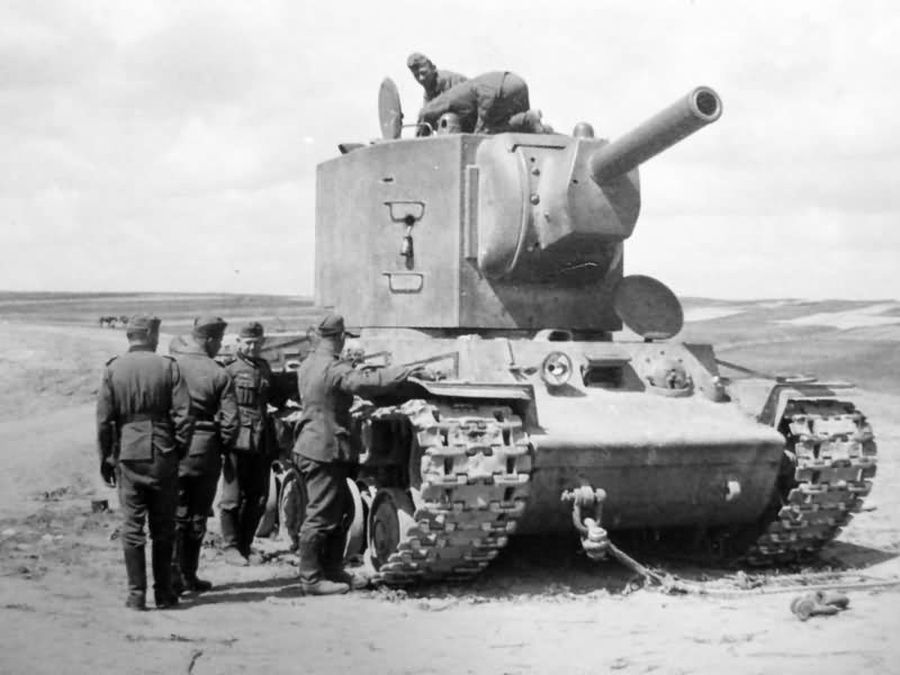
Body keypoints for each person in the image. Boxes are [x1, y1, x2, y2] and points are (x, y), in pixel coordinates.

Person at [294, 313, 421, 595]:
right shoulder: (333, 367)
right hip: (324, 448)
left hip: (319, 444)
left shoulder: (310, 363)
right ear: (340, 337)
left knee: (337, 511)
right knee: (321, 515)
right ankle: (311, 579)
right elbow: (360, 384)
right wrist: (402, 372)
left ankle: (332, 570)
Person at [96, 314, 193, 610]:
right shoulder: (167, 366)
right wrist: (178, 450)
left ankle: (136, 595)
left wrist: (107, 458)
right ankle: (164, 593)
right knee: (164, 528)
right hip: (163, 454)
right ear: (150, 334)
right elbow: (184, 416)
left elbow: (103, 420)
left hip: (128, 453)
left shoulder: (113, 369)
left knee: (132, 527)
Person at [170, 316, 239, 594]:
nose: (220, 346)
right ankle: (188, 574)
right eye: (219, 341)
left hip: (172, 449)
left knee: (174, 514)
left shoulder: (172, 367)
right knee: (197, 516)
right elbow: (231, 422)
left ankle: (171, 574)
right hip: (205, 451)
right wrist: (219, 445)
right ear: (209, 339)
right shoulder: (219, 373)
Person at [220, 321, 287, 566]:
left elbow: (273, 397)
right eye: (247, 342)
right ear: (238, 342)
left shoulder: (263, 367)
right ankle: (230, 547)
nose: (252, 347)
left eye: (257, 342)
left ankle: (246, 545)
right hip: (238, 438)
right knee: (232, 497)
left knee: (258, 497)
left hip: (261, 438)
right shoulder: (229, 369)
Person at [417, 70, 550, 135]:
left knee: (480, 137)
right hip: (516, 83)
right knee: (500, 132)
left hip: (495, 90)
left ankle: (526, 120)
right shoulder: (463, 88)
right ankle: (527, 119)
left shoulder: (443, 100)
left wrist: (417, 140)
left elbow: (424, 113)